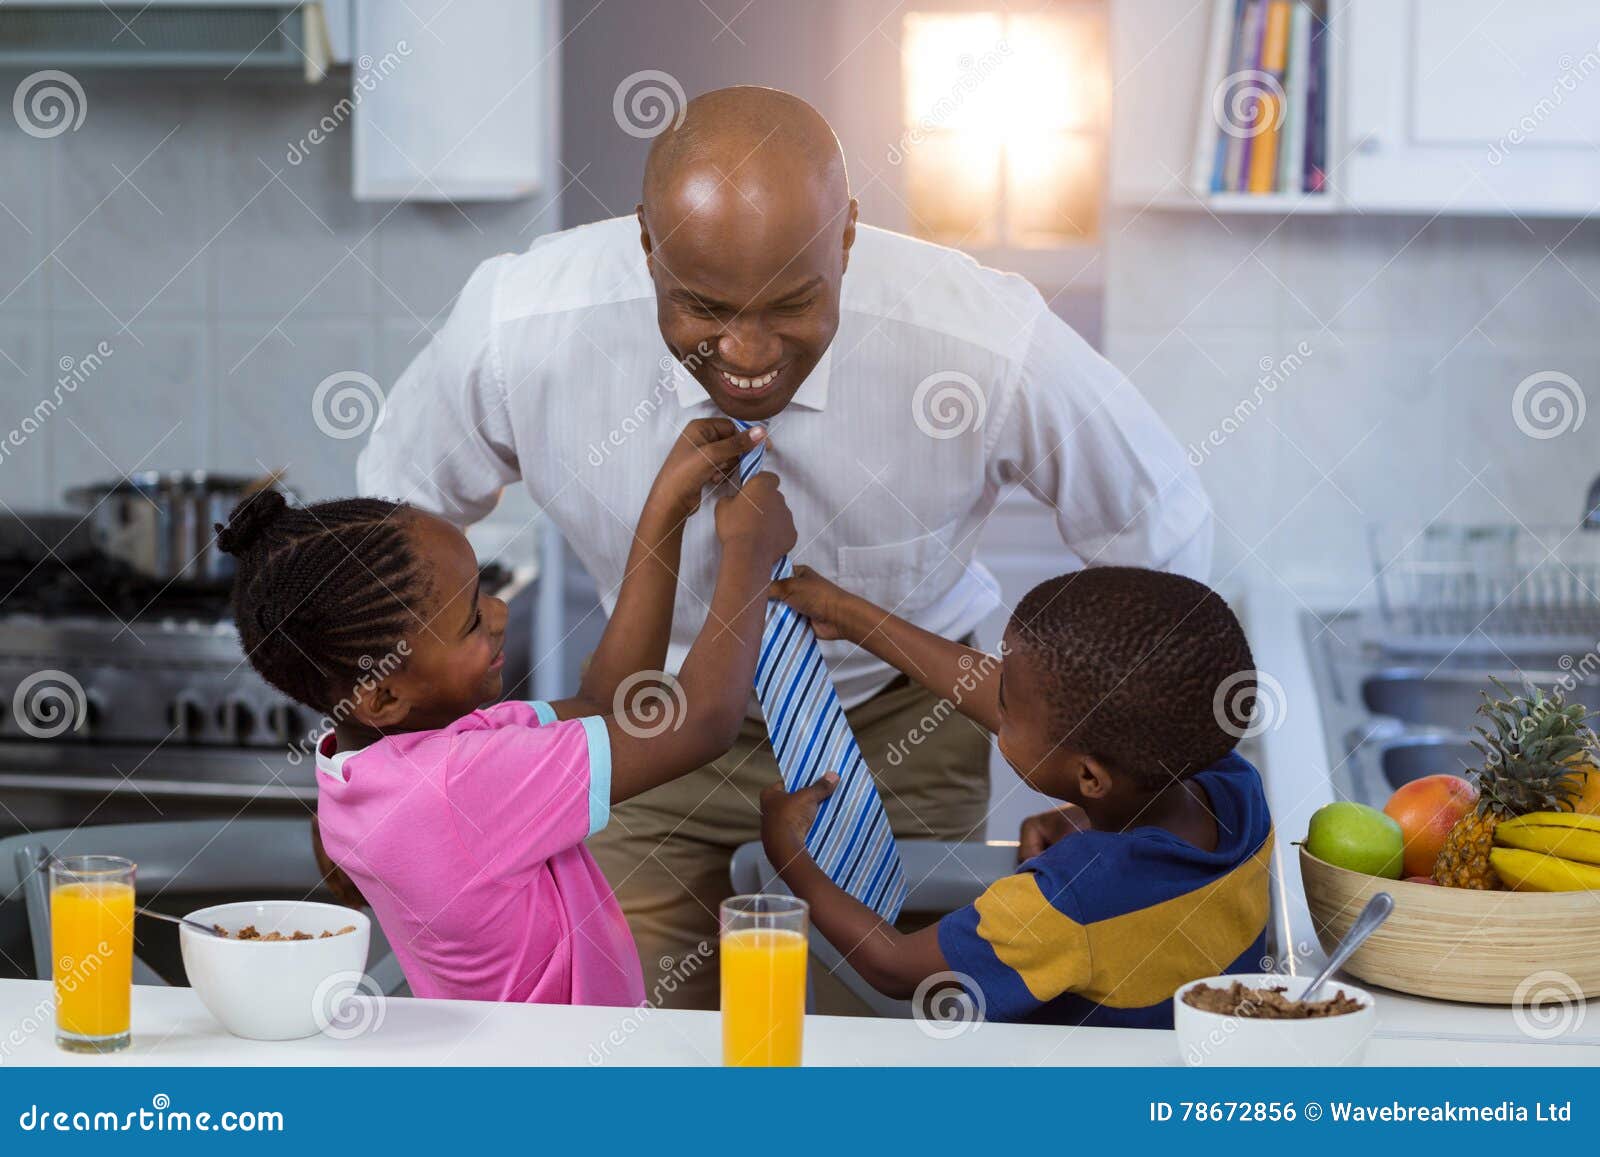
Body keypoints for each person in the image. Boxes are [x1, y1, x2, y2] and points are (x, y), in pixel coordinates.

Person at [358, 85, 1212, 1009]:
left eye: (793, 304)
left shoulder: (979, 339)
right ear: (647, 242)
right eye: (703, 308)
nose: (750, 350)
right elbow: (387, 527)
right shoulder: (520, 327)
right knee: (622, 1047)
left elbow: (1161, 531)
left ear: (845, 236)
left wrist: (1113, 793)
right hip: (644, 732)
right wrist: (400, 775)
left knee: (875, 1061)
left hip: (896, 738)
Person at [219, 420, 793, 1004]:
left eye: (482, 589)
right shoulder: (459, 784)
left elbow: (608, 701)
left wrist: (668, 506)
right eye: (470, 619)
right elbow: (700, 724)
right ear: (385, 697)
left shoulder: (367, 769)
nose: (497, 613)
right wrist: (748, 555)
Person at [759, 565, 1272, 1027]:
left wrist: (790, 855)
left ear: (1092, 777)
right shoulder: (1236, 788)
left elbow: (892, 967)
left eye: (1006, 704)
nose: (993, 698)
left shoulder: (1066, 904)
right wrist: (848, 615)